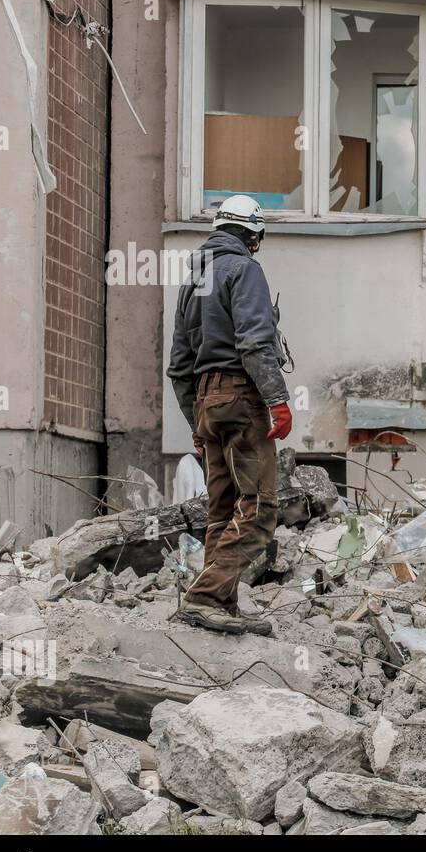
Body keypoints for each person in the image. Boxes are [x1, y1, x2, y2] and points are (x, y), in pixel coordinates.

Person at [166, 194, 293, 634]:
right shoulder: (245, 270)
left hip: (206, 404)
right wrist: (277, 398)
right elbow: (256, 342)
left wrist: (196, 424)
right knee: (259, 509)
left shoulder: (193, 281)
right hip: (241, 400)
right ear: (253, 235)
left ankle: (219, 605)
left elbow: (179, 367)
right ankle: (203, 596)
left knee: (221, 511)